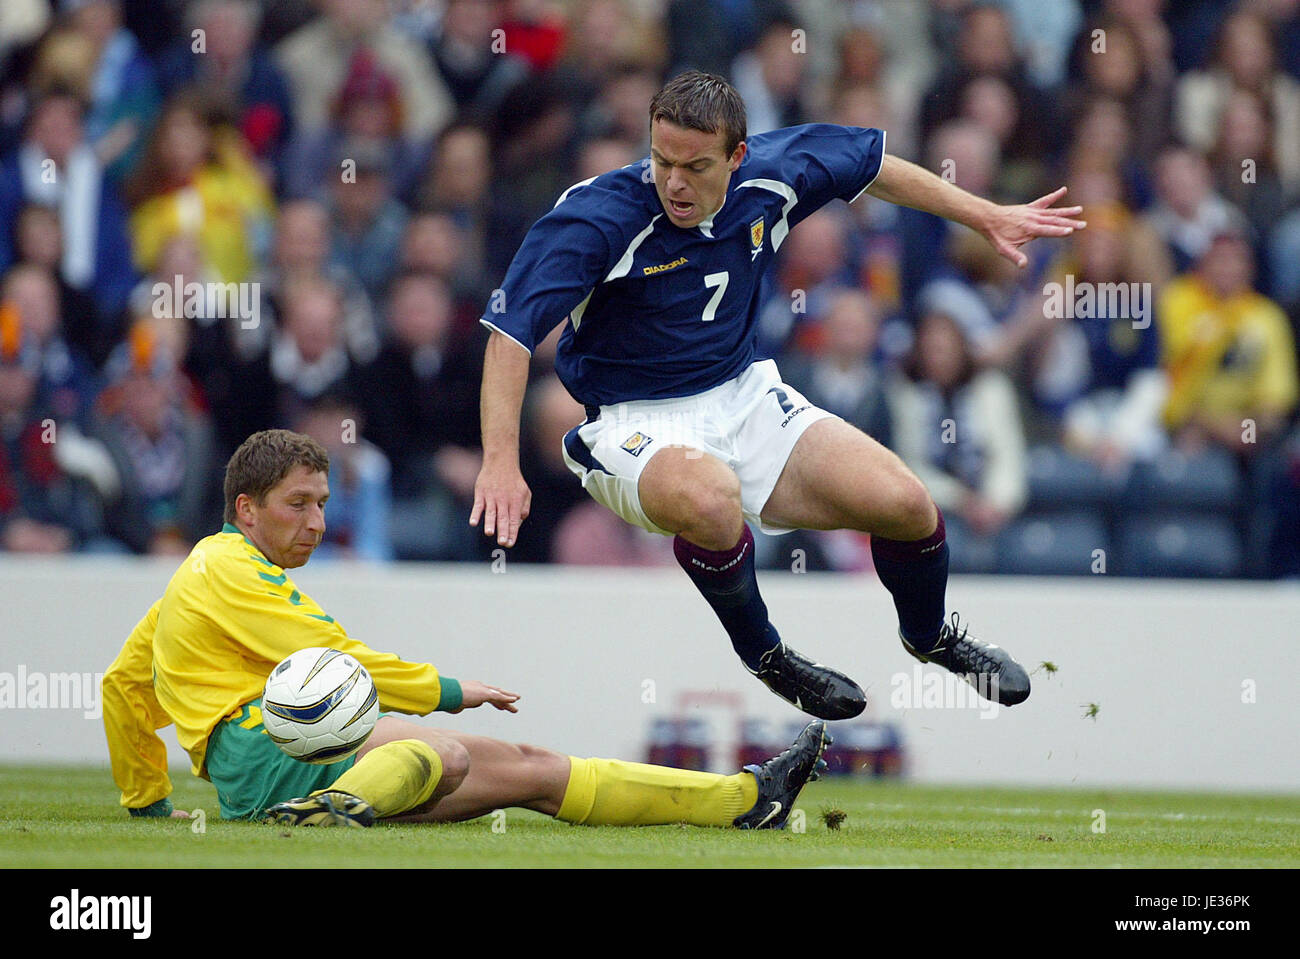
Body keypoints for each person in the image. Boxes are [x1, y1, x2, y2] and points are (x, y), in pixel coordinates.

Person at [471, 71, 1087, 716]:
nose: (674, 182)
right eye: (661, 160)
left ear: (737, 157)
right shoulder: (595, 215)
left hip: (744, 396)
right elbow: (509, 337)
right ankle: (766, 653)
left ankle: (930, 636)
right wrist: (499, 461)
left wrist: (983, 213)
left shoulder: (775, 169)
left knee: (906, 503)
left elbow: (874, 165)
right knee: (711, 499)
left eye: (695, 166)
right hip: (631, 424)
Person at [102, 429, 828, 830]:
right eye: (298, 504)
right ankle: (324, 814)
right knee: (441, 750)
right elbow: (338, 659)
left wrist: (148, 803)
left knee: (531, 768)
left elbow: (124, 685)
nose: (318, 523)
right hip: (266, 747)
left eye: (323, 503)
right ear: (246, 507)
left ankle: (742, 798)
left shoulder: (195, 582)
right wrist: (448, 689)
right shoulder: (224, 564)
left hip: (295, 753)